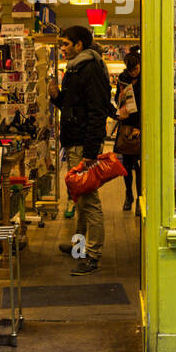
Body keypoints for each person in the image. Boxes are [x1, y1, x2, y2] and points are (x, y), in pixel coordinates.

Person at [48, 25, 112, 276]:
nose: (62, 48)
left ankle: (93, 254)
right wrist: (56, 97)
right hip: (74, 141)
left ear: (79, 45)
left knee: (89, 200)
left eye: (66, 44)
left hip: (82, 145)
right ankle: (79, 244)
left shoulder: (90, 68)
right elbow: (72, 107)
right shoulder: (75, 68)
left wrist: (90, 151)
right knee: (80, 198)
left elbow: (98, 111)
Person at [114, 49, 141, 215]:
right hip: (126, 124)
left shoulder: (146, 78)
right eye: (131, 70)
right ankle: (128, 195)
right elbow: (118, 98)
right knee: (127, 165)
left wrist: (140, 126)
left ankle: (140, 199)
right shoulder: (122, 79)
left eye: (136, 69)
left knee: (139, 166)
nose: (133, 72)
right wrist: (121, 103)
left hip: (141, 124)